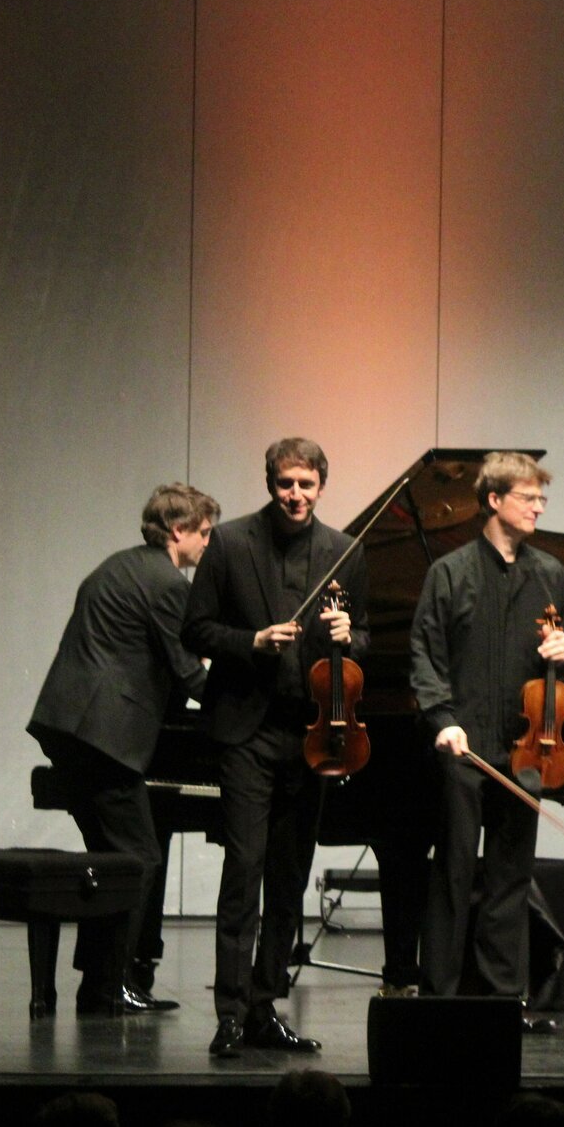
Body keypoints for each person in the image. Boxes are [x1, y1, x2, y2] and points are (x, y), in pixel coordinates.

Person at [183, 437, 368, 1057]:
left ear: (321, 486)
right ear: (271, 483)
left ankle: (265, 1007)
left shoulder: (346, 551)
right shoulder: (229, 542)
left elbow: (368, 637)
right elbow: (195, 629)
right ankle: (231, 1014)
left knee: (289, 879)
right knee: (244, 872)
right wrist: (252, 642)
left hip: (313, 735)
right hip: (247, 732)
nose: (295, 494)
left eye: (305, 484)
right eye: (286, 483)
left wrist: (350, 635)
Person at [27, 483, 220, 1015]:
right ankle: (111, 986)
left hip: (69, 725)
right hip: (102, 734)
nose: (208, 543)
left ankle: (100, 983)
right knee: (139, 858)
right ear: (178, 530)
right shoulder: (167, 583)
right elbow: (188, 674)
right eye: (204, 533)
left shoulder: (119, 565)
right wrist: (244, 698)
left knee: (110, 860)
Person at [408, 452, 564, 1034]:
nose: (538, 508)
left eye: (541, 499)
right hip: (463, 745)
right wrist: (441, 719)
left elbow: (562, 668)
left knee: (511, 877)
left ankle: (505, 1001)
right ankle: (439, 999)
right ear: (494, 500)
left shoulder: (551, 574)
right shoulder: (449, 572)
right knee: (453, 874)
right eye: (528, 498)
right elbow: (424, 653)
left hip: (526, 748)